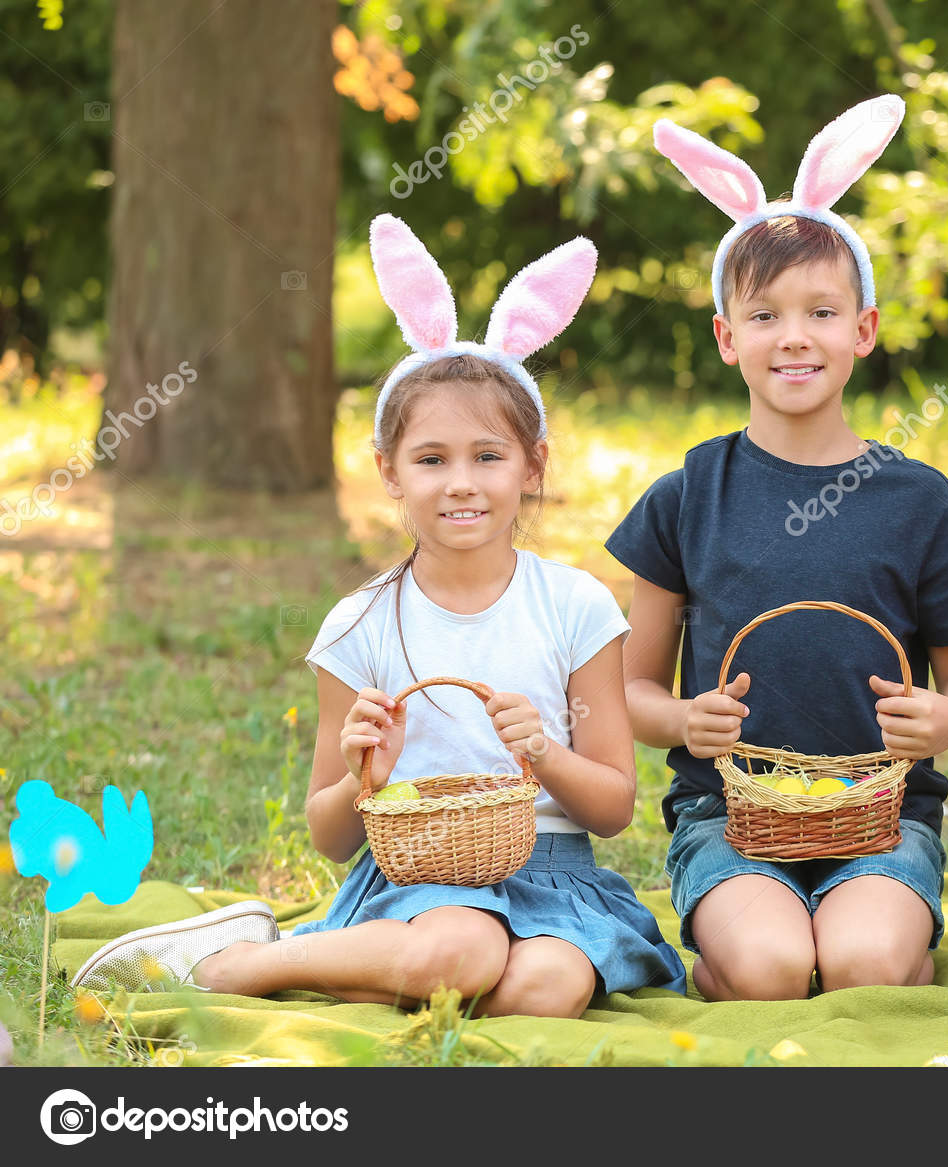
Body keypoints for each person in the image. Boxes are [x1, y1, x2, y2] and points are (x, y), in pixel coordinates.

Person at [72, 215, 686, 1015]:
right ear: (388, 470)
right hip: (418, 878)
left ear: (532, 465)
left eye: (488, 456)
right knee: (465, 948)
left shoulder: (574, 606)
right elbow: (329, 834)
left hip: (551, 875)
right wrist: (370, 776)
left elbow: (612, 807)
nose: (460, 482)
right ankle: (243, 964)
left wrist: (544, 748)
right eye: (431, 459)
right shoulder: (361, 623)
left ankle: (362, 969)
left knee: (547, 988)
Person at [607, 96, 948, 1001]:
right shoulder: (685, 496)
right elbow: (632, 690)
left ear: (861, 331)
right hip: (729, 816)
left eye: (822, 312)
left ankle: (894, 947)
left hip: (883, 815)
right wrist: (682, 720)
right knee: (775, 967)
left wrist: (944, 720)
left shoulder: (921, 502)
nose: (793, 337)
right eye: (765, 315)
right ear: (726, 337)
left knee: (861, 965)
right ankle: (735, 953)